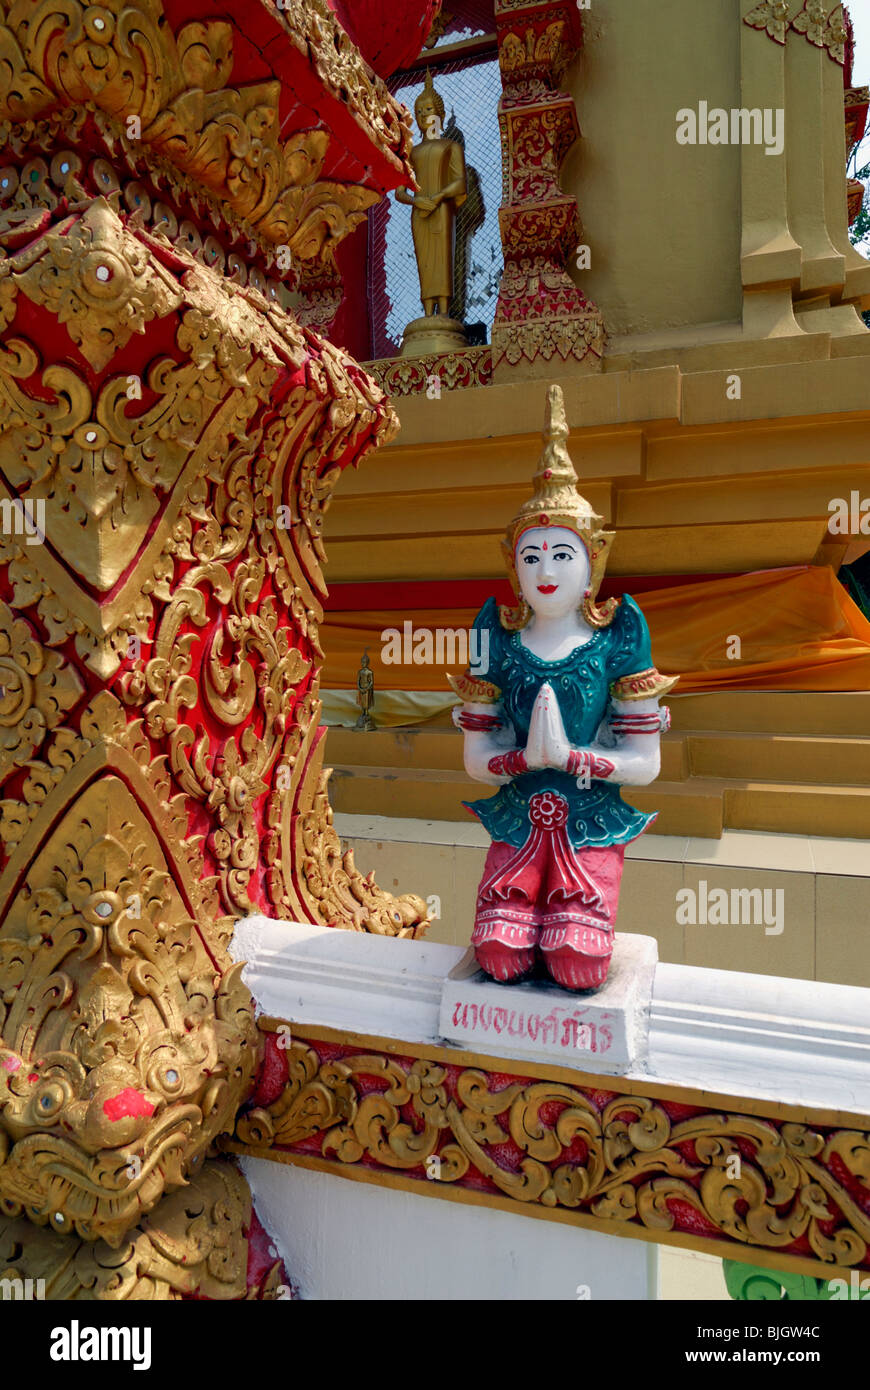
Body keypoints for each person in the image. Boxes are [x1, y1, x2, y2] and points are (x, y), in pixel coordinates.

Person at [449, 386, 677, 991]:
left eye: (559, 554)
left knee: (578, 963)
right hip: (519, 817)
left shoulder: (619, 638)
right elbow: (477, 762)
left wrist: (570, 758)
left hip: (590, 817)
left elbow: (644, 764)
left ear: (592, 561)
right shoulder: (492, 638)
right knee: (499, 951)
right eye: (530, 558)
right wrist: (527, 759)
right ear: (511, 565)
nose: (545, 572)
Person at [396, 70, 467, 317]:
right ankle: (427, 312)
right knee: (425, 264)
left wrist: (437, 198)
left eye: (428, 110)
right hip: (420, 212)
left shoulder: (451, 146)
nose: (424, 115)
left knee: (442, 260)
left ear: (440, 114)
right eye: (419, 111)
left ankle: (445, 312)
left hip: (442, 210)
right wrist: (418, 201)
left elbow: (460, 183)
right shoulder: (412, 152)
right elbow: (399, 191)